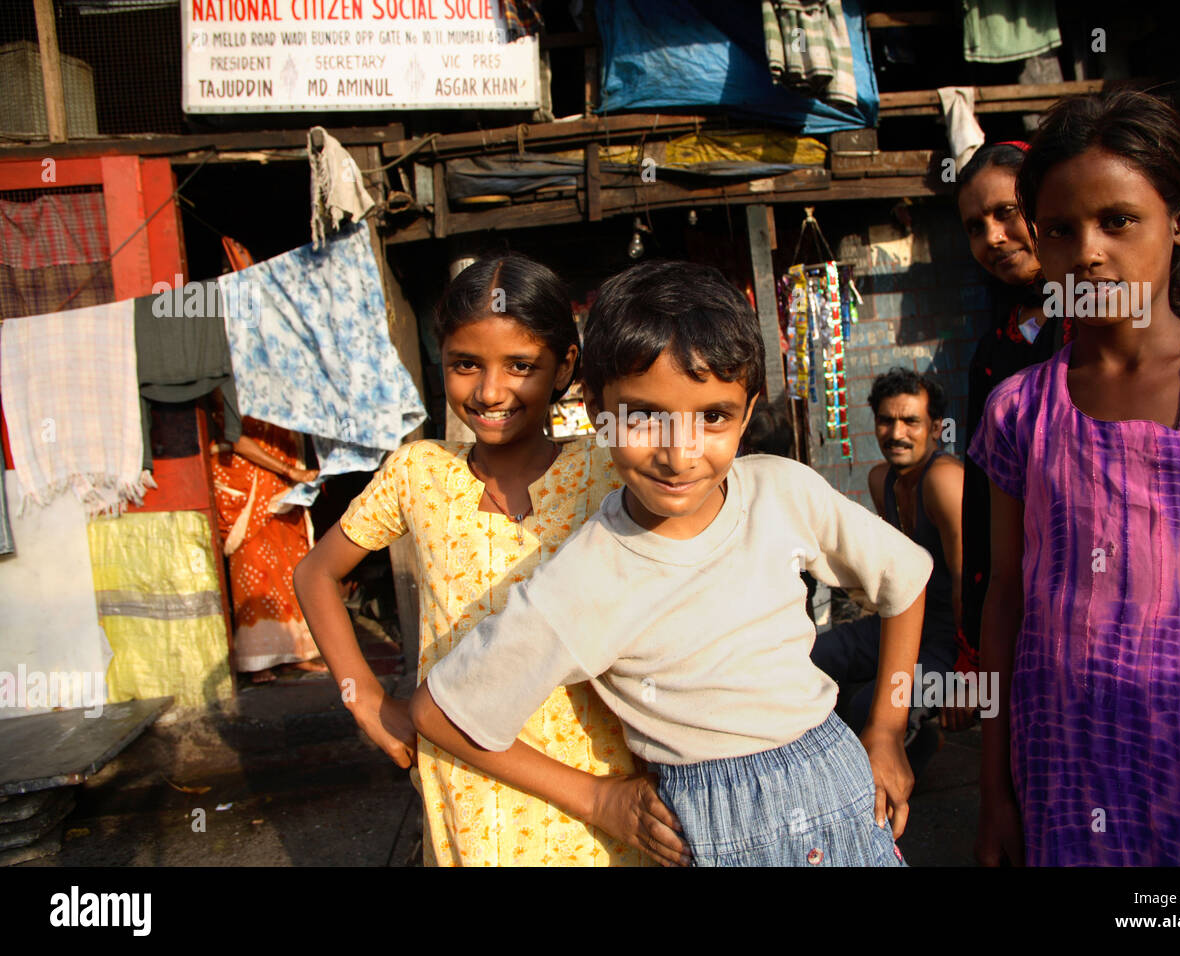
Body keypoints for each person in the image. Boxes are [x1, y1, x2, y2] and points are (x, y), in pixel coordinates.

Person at [409, 260, 933, 867]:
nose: (679, 454)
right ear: (595, 409)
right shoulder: (588, 575)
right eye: (643, 415)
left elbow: (906, 581)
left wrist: (888, 730)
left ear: (748, 409)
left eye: (713, 416)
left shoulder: (784, 492)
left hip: (840, 784)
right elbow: (441, 713)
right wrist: (599, 800)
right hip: (708, 827)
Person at [971, 91, 1180, 866]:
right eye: (1059, 229)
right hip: (1060, 769)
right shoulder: (1020, 410)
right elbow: (1005, 601)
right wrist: (993, 796)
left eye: (1118, 220)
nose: (1087, 253)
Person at [293, 254, 658, 867]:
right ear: (443, 364)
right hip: (463, 775)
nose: (490, 391)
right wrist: (363, 697)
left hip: (599, 774)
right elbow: (315, 572)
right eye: (467, 365)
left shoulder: (605, 470)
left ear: (566, 367)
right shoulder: (417, 473)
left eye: (521, 366)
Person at [952, 141, 1064, 728]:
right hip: (1025, 606)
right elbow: (979, 500)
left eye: (1005, 213)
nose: (992, 238)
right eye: (975, 226)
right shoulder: (997, 350)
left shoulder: (1109, 321)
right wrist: (975, 638)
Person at [809, 369, 963, 770]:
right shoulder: (882, 480)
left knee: (871, 710)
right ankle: (921, 741)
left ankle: (903, 759)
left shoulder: (945, 481)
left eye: (911, 421)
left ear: (935, 428)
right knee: (806, 658)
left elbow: (970, 583)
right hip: (895, 625)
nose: (896, 433)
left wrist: (969, 670)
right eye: (885, 420)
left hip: (952, 639)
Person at [208, 409, 326, 683]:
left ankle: (295, 654)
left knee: (291, 563)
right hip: (246, 485)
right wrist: (288, 469)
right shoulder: (230, 390)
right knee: (254, 568)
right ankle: (258, 660)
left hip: (281, 485)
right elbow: (234, 438)